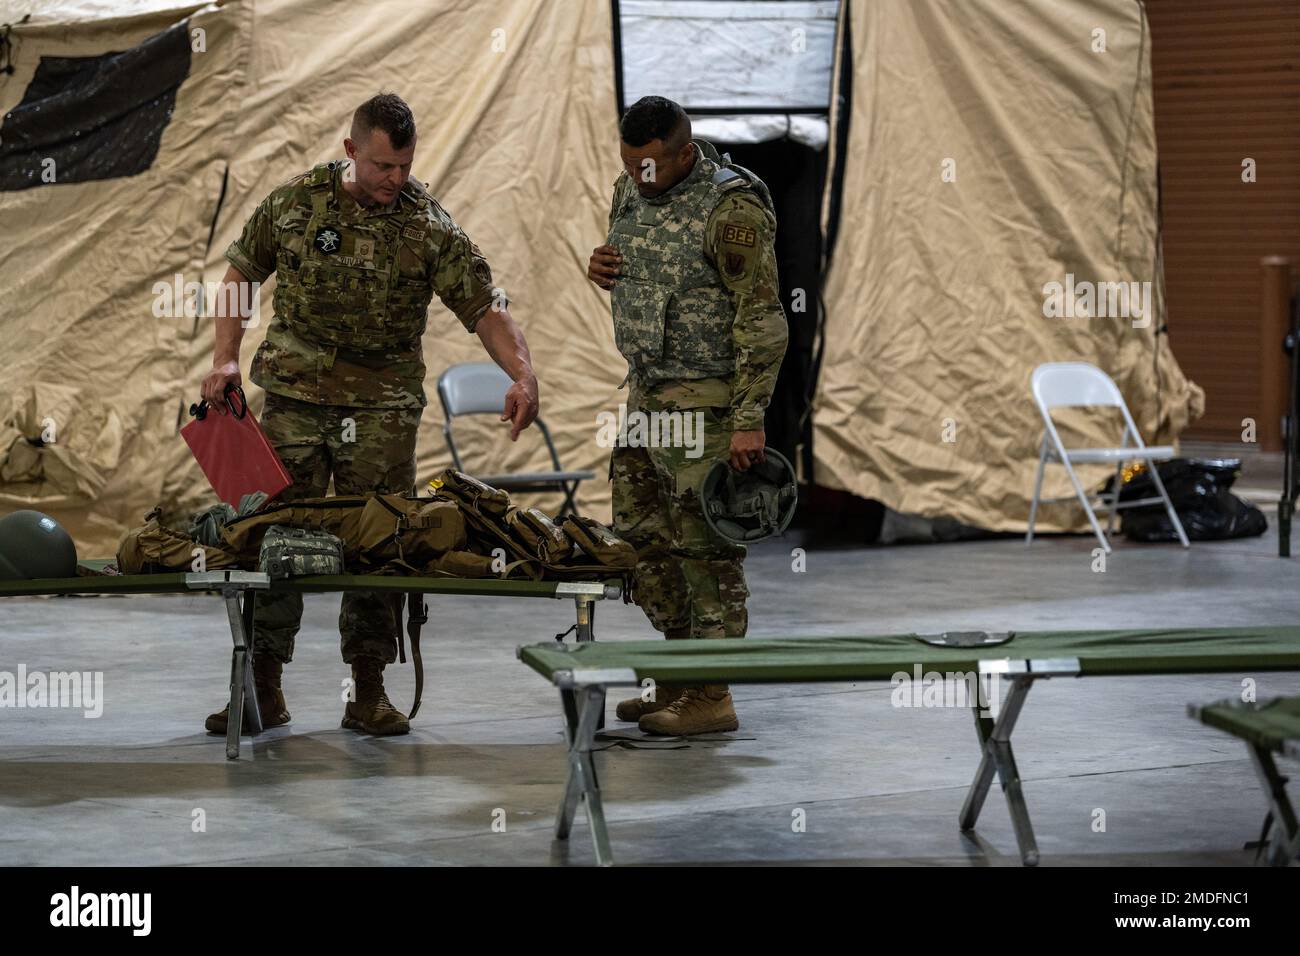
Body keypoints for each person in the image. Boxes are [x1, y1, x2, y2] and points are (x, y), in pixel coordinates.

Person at [202, 92, 539, 737]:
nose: (396, 180)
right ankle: (261, 687)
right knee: (273, 536)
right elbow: (241, 273)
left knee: (380, 545)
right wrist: (224, 359)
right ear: (351, 149)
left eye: (405, 166)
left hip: (382, 413)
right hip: (295, 404)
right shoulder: (294, 204)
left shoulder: (428, 225)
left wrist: (522, 373)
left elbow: (484, 307)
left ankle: (368, 689)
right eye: (384, 166)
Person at [586, 96, 788, 735]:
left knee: (705, 551)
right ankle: (677, 674)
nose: (639, 177)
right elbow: (635, 264)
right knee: (644, 543)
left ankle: (713, 693)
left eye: (651, 165)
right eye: (630, 164)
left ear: (684, 151)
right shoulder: (629, 189)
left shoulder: (731, 207)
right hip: (646, 396)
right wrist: (604, 268)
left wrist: (749, 417)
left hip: (708, 406)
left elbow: (761, 318)